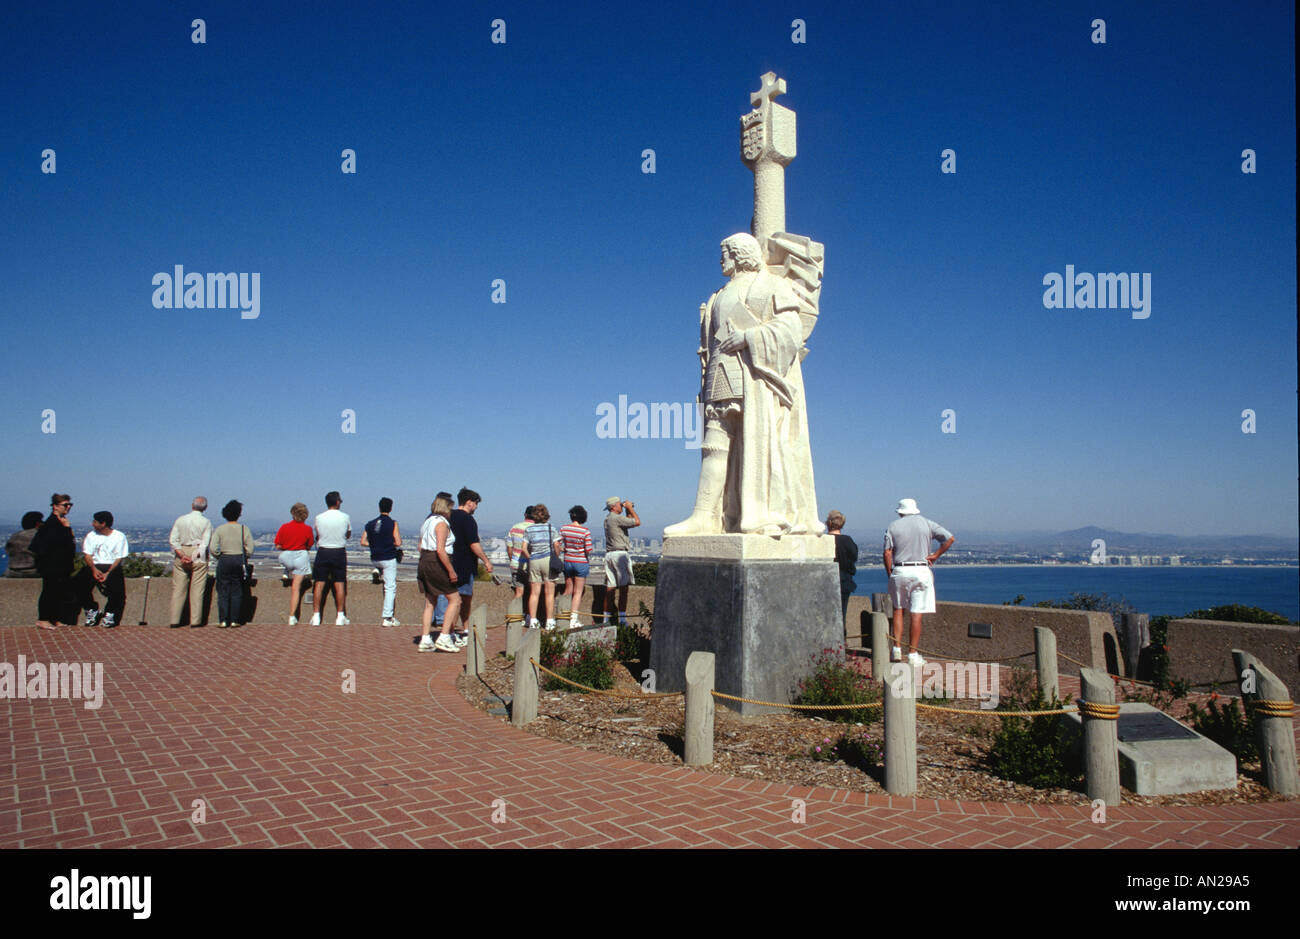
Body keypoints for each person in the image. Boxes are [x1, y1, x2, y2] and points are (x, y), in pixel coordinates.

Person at [665, 231, 822, 536]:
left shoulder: (772, 286)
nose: (720, 258)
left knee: (755, 444)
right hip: (718, 374)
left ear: (739, 254)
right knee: (714, 445)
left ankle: (756, 513)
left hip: (754, 378)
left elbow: (790, 330)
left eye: (725, 252)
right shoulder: (717, 294)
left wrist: (749, 337)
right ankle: (704, 515)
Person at [883, 498, 955, 667]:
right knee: (916, 613)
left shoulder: (893, 526)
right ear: (915, 510)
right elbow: (950, 539)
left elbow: (887, 553)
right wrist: (936, 555)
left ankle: (896, 649)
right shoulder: (927, 524)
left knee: (898, 609)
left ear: (901, 512)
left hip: (900, 570)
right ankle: (913, 654)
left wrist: (890, 573)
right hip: (921, 570)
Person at [416, 492, 463, 652]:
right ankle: (444, 636)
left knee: (430, 601)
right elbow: (441, 550)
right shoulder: (442, 524)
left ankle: (425, 637)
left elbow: (420, 545)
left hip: (424, 560)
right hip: (437, 562)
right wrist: (450, 570)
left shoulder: (427, 522)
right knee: (455, 599)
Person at [448, 487, 493, 643]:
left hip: (450, 562)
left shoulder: (449, 516)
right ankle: (451, 632)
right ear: (469, 503)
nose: (476, 507)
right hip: (464, 564)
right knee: (460, 599)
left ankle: (463, 629)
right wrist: (486, 560)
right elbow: (474, 544)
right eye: (475, 503)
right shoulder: (468, 520)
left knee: (458, 598)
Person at [72, 511, 129, 628]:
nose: (92, 524)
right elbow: (87, 555)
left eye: (95, 522)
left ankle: (110, 614)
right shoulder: (91, 536)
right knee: (78, 586)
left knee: (117, 592)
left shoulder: (119, 536)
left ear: (103, 524)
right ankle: (91, 609)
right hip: (95, 565)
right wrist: (93, 570)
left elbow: (119, 558)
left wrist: (108, 573)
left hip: (111, 566)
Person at [209, 500, 255, 628]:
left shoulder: (220, 529)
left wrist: (219, 556)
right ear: (239, 514)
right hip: (239, 559)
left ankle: (223, 620)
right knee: (237, 589)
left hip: (224, 559)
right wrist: (245, 556)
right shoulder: (243, 529)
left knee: (223, 590)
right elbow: (250, 548)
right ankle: (235, 619)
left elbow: (213, 547)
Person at [32, 494, 76, 630]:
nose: (68, 507)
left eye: (70, 505)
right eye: (65, 505)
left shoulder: (60, 522)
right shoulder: (52, 524)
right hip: (52, 566)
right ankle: (43, 619)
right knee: (49, 591)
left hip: (60, 566)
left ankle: (54, 618)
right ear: (55, 506)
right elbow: (56, 545)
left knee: (57, 592)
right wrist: (67, 529)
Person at [168, 496, 213, 628]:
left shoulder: (180, 520)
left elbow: (173, 540)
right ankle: (195, 620)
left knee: (178, 589)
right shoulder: (206, 522)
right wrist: (194, 556)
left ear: (192, 505)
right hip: (198, 554)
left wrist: (182, 555)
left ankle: (175, 620)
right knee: (198, 589)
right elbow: (205, 543)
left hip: (181, 552)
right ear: (205, 508)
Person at [311, 491, 351, 626]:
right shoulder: (345, 517)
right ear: (337, 502)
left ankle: (316, 615)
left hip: (323, 551)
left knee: (319, 583)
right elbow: (348, 534)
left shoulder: (319, 517)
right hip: (338, 551)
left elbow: (318, 534)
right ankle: (340, 615)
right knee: (339, 583)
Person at [520, 504, 563, 629]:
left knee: (534, 593)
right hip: (548, 559)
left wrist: (530, 557)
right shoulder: (551, 528)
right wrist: (556, 555)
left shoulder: (529, 530)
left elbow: (524, 548)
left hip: (534, 560)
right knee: (549, 593)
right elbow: (556, 545)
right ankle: (549, 621)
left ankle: (533, 619)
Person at [361, 497, 403, 626]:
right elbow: (398, 542)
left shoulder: (369, 524)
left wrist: (375, 544)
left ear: (379, 508)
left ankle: (377, 570)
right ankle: (387, 617)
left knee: (380, 566)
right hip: (388, 558)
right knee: (390, 587)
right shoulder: (393, 523)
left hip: (375, 557)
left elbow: (363, 542)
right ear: (391, 508)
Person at [274, 502, 314, 624]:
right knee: (296, 589)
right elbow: (309, 544)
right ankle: (292, 616)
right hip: (301, 556)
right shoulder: (307, 529)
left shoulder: (284, 527)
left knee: (288, 565)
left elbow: (277, 545)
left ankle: (286, 571)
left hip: (286, 556)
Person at [602, 497, 639, 625]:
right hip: (620, 555)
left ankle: (605, 618)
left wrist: (628, 511)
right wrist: (630, 508)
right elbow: (637, 522)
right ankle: (622, 619)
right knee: (624, 589)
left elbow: (628, 522)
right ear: (613, 506)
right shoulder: (616, 518)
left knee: (610, 588)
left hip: (609, 555)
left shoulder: (608, 519)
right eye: (620, 504)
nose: (621, 506)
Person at [559, 505, 594, 629]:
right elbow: (588, 549)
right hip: (581, 562)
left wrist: (565, 549)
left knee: (568, 589)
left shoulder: (564, 529)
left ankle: (562, 614)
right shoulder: (585, 531)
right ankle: (573, 619)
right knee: (578, 592)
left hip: (568, 561)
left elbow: (558, 544)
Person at [826, 510, 858, 627]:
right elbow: (853, 558)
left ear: (829, 523)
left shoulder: (823, 540)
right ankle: (842, 639)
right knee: (842, 612)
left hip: (825, 581)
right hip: (844, 580)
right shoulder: (848, 541)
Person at [5, 511, 45, 579]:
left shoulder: (14, 536)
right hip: (33, 572)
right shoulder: (39, 535)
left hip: (12, 572)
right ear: (38, 524)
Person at [507, 506, 534, 602]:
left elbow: (509, 547)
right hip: (531, 566)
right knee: (533, 593)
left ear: (525, 515)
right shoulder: (535, 529)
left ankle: (513, 614)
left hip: (515, 564)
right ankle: (529, 616)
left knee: (518, 593)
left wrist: (512, 559)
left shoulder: (515, 527)